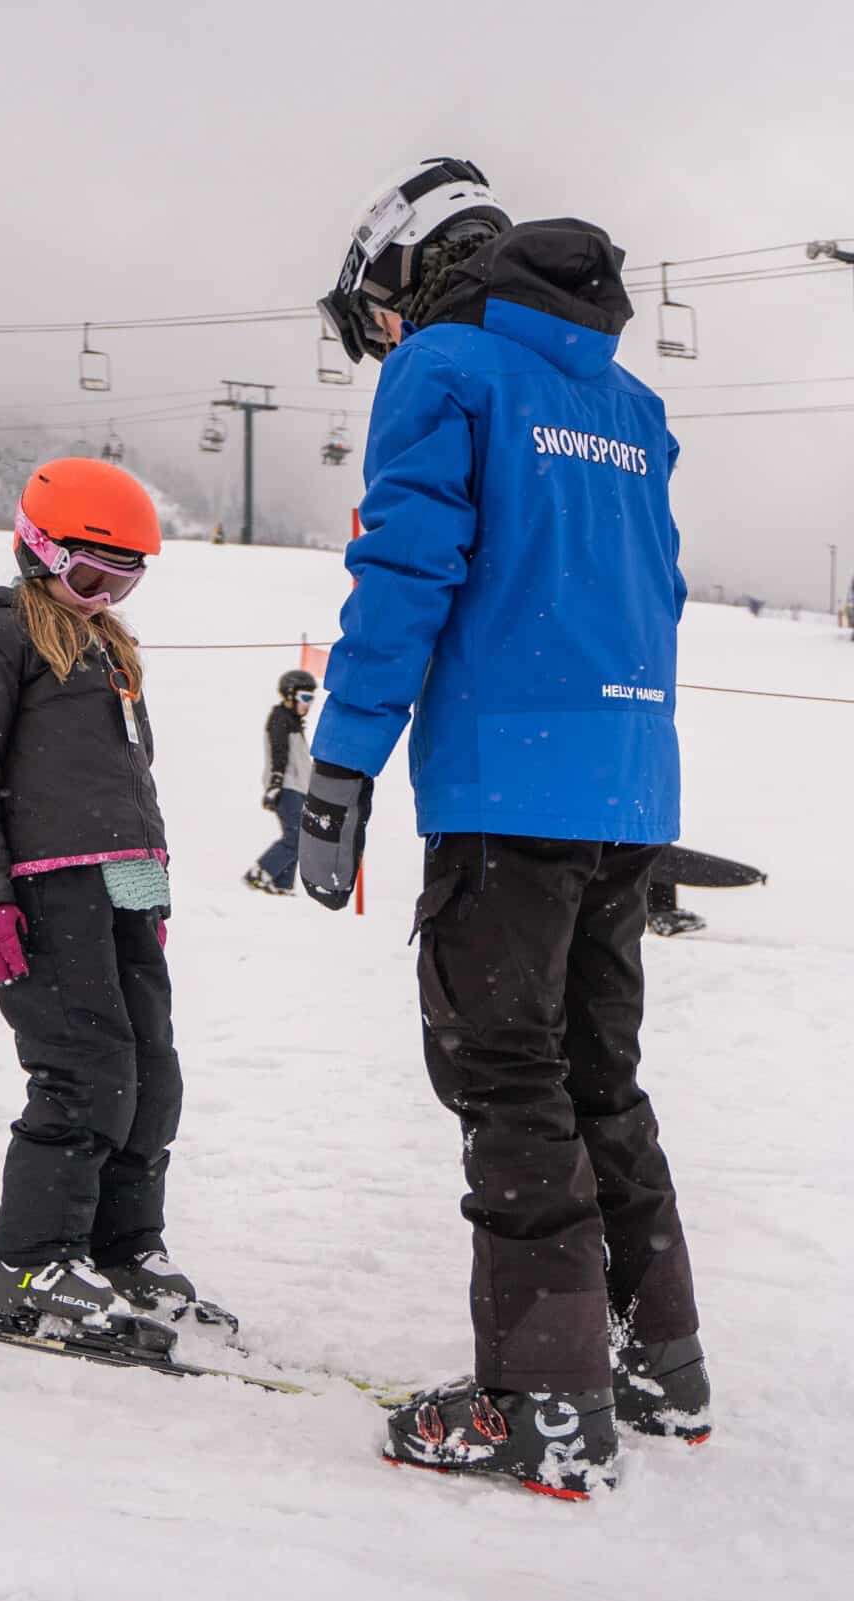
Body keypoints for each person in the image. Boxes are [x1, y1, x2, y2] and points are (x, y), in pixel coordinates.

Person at [305, 158, 708, 1496]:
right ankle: (656, 1361)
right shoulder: (626, 400)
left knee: (508, 1077)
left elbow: (405, 570)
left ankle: (542, 1403)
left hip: (505, 792)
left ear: (415, 273)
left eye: (380, 311)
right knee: (597, 1076)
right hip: (626, 787)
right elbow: (653, 589)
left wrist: (341, 761)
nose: (385, 340)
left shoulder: (445, 370)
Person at [0, 457, 225, 1344]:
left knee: (152, 1074)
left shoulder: (108, 648)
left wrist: (149, 892)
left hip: (120, 884)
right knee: (83, 1071)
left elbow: (131, 785)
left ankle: (122, 1245)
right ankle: (32, 1258)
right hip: (43, 890)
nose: (103, 597)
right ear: (39, 550)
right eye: (90, 577)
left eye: (122, 582)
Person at [243, 669, 316, 896]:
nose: (308, 704)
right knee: (296, 837)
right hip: (287, 786)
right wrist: (275, 784)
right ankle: (260, 872)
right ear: (290, 694)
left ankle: (281, 884)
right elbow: (279, 752)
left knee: (300, 838)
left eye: (311, 698)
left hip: (299, 788)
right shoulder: (280, 719)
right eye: (305, 697)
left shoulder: (293, 722)